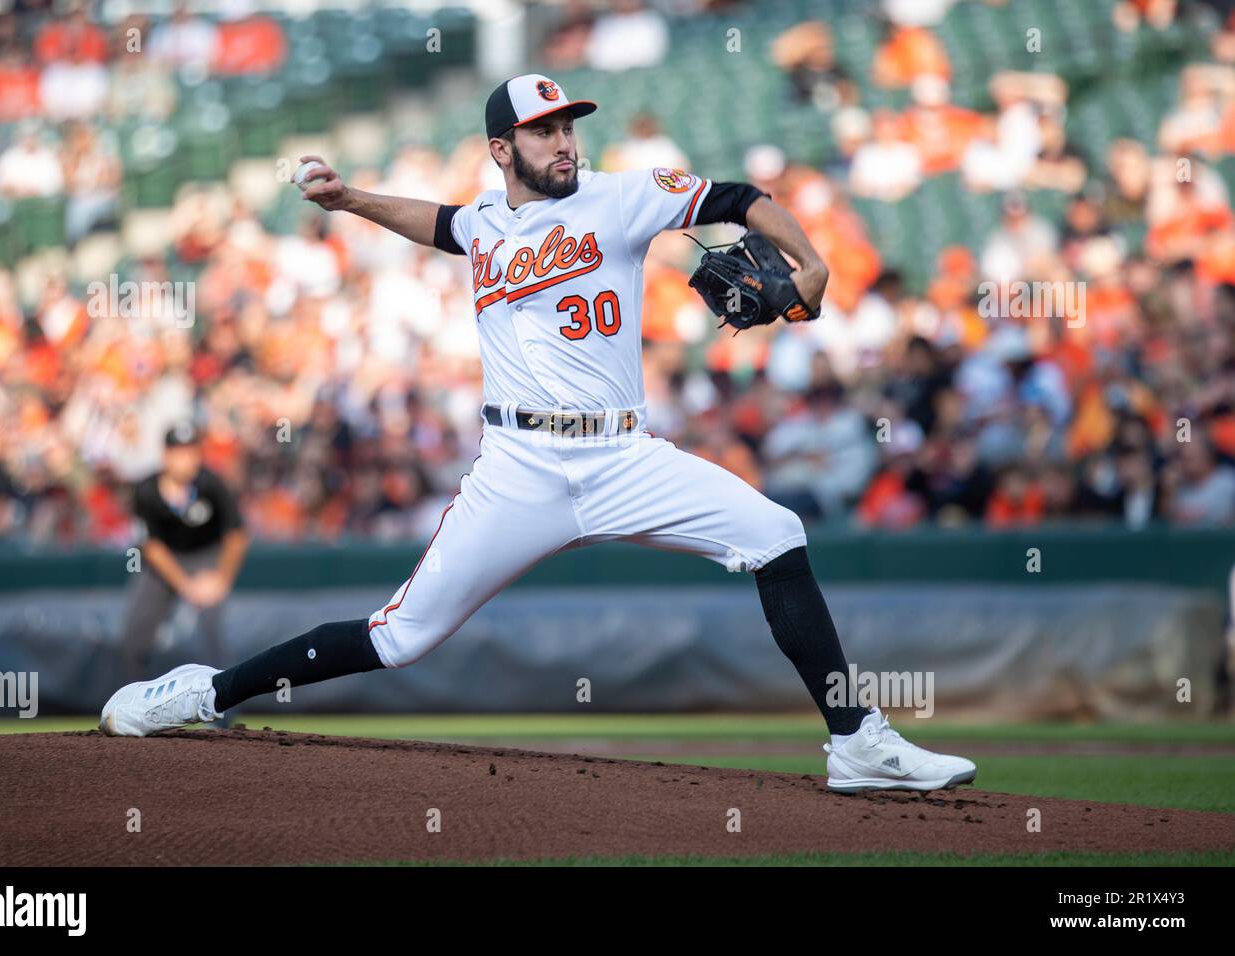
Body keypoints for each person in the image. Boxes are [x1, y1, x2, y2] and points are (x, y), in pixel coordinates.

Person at [101, 74, 976, 794]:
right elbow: (443, 224)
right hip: (517, 466)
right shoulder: (485, 222)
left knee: (777, 535)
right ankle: (204, 693)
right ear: (501, 150)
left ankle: (855, 740)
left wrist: (811, 262)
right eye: (543, 130)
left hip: (625, 454)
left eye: (567, 126)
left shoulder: (622, 198)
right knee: (401, 636)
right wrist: (352, 200)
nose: (563, 141)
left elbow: (741, 200)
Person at [119, 423, 249, 686]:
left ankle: (224, 713)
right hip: (164, 566)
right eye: (179, 453)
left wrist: (221, 579)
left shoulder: (211, 484)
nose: (187, 460)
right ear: (166, 456)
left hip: (206, 559)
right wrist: (187, 586)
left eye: (192, 452)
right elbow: (152, 548)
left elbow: (236, 535)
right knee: (134, 634)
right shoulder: (146, 491)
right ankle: (131, 704)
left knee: (215, 636)